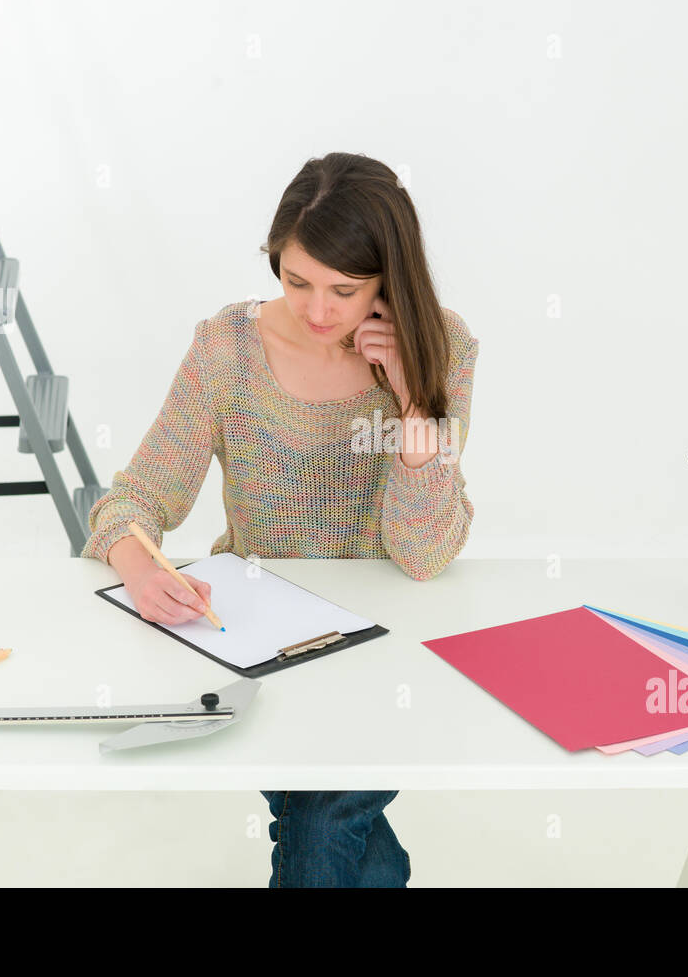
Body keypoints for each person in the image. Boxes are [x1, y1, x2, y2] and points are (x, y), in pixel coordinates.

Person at [79, 152, 479, 887]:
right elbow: (132, 498)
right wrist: (137, 565)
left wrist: (415, 407)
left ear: (390, 280)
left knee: (323, 819)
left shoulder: (441, 349)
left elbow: (425, 555)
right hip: (263, 652)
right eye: (296, 281)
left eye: (345, 290)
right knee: (358, 852)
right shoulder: (228, 349)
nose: (318, 311)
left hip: (389, 658)